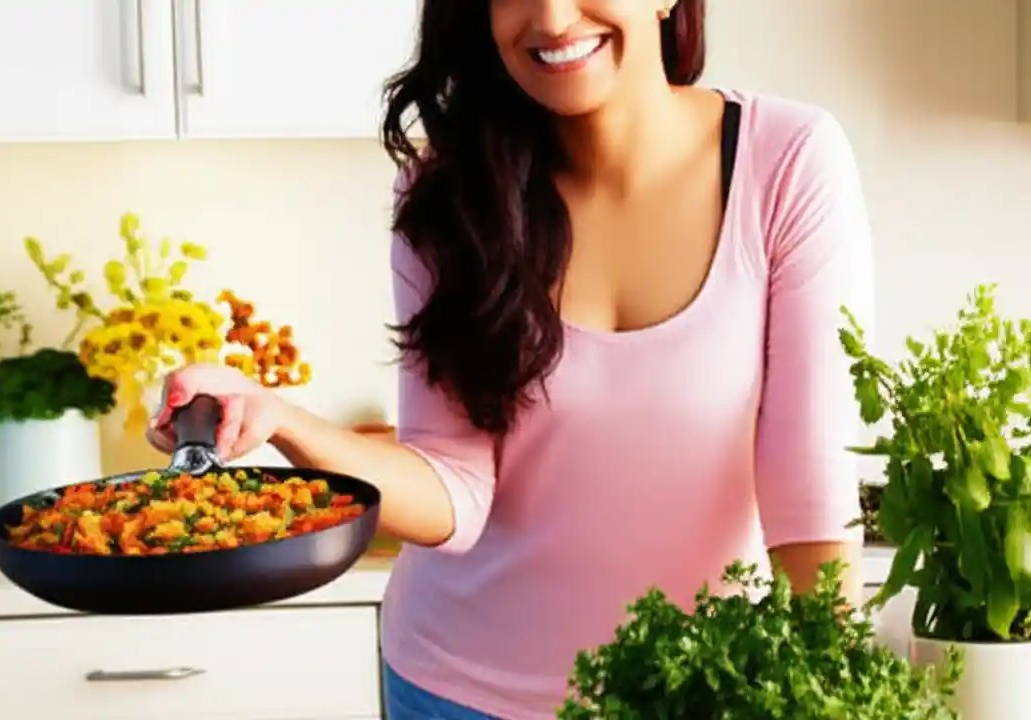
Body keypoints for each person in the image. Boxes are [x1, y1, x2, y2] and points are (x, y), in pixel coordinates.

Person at [148, 0, 875, 717]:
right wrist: (279, 419)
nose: (553, 18)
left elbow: (809, 502)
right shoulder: (450, 194)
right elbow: (453, 488)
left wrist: (828, 697)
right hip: (454, 688)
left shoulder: (785, 161)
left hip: (696, 694)